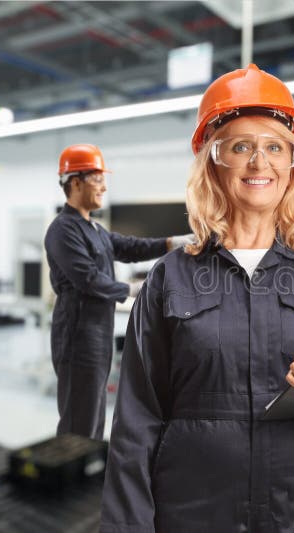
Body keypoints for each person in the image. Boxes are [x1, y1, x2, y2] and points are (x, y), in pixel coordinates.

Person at [100, 64, 294, 532]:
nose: (259, 162)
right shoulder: (170, 277)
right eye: (240, 146)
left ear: (291, 165)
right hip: (194, 509)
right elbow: (136, 422)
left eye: (274, 147)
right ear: (213, 165)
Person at [45, 143, 194, 440]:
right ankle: (74, 473)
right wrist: (134, 289)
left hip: (98, 332)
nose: (104, 187)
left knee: (95, 412)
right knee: (79, 418)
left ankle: (89, 470)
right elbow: (87, 279)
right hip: (77, 335)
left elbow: (129, 247)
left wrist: (173, 242)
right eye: (97, 179)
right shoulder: (63, 230)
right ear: (75, 182)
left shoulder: (94, 229)